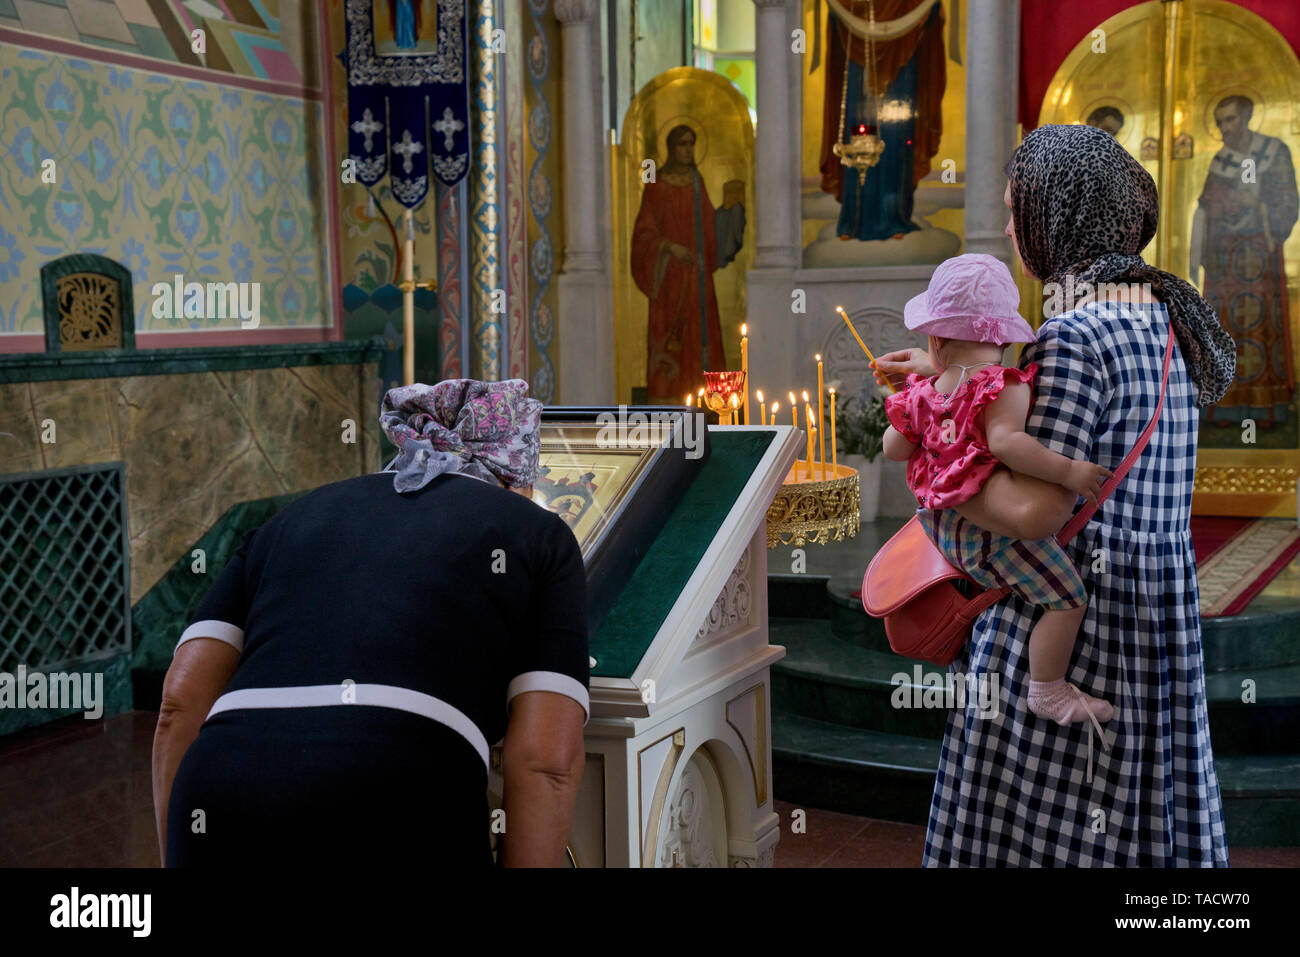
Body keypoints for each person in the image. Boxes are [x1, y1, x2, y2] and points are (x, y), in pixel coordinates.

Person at [873, 123, 1237, 866]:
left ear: (1059, 211)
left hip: (1078, 627)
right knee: (1140, 820)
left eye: (1018, 210)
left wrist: (937, 474)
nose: (1010, 229)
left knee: (1038, 834)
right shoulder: (1165, 320)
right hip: (1154, 611)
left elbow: (1037, 511)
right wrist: (945, 377)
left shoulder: (1072, 336)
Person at [152, 378, 590, 868]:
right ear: (518, 475)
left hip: (222, 789)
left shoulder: (291, 517)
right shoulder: (538, 533)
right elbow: (545, 761)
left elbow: (179, 703)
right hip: (400, 795)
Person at [880, 254, 1115, 750]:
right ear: (1006, 339)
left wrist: (917, 404)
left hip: (939, 527)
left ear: (936, 340)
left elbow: (895, 448)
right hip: (991, 537)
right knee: (1068, 598)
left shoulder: (923, 392)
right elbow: (1009, 445)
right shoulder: (1000, 386)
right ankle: (1047, 689)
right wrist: (1068, 470)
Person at [631, 124, 744, 403]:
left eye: (691, 144)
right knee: (671, 339)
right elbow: (644, 234)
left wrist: (731, 214)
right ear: (671, 148)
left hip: (697, 280)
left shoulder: (696, 181)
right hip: (668, 278)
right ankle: (668, 402)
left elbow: (709, 229)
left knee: (701, 338)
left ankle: (708, 400)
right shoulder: (656, 185)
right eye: (682, 144)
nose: (687, 150)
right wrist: (670, 248)